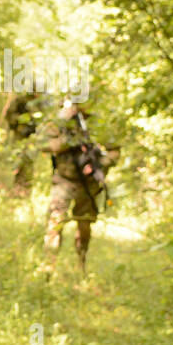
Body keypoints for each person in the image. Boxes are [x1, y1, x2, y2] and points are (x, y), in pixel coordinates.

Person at [39, 98, 111, 272]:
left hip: (88, 185)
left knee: (84, 226)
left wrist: (98, 164)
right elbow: (43, 144)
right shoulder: (58, 122)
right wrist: (66, 139)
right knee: (55, 223)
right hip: (64, 181)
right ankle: (49, 265)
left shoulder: (97, 123)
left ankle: (81, 264)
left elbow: (113, 150)